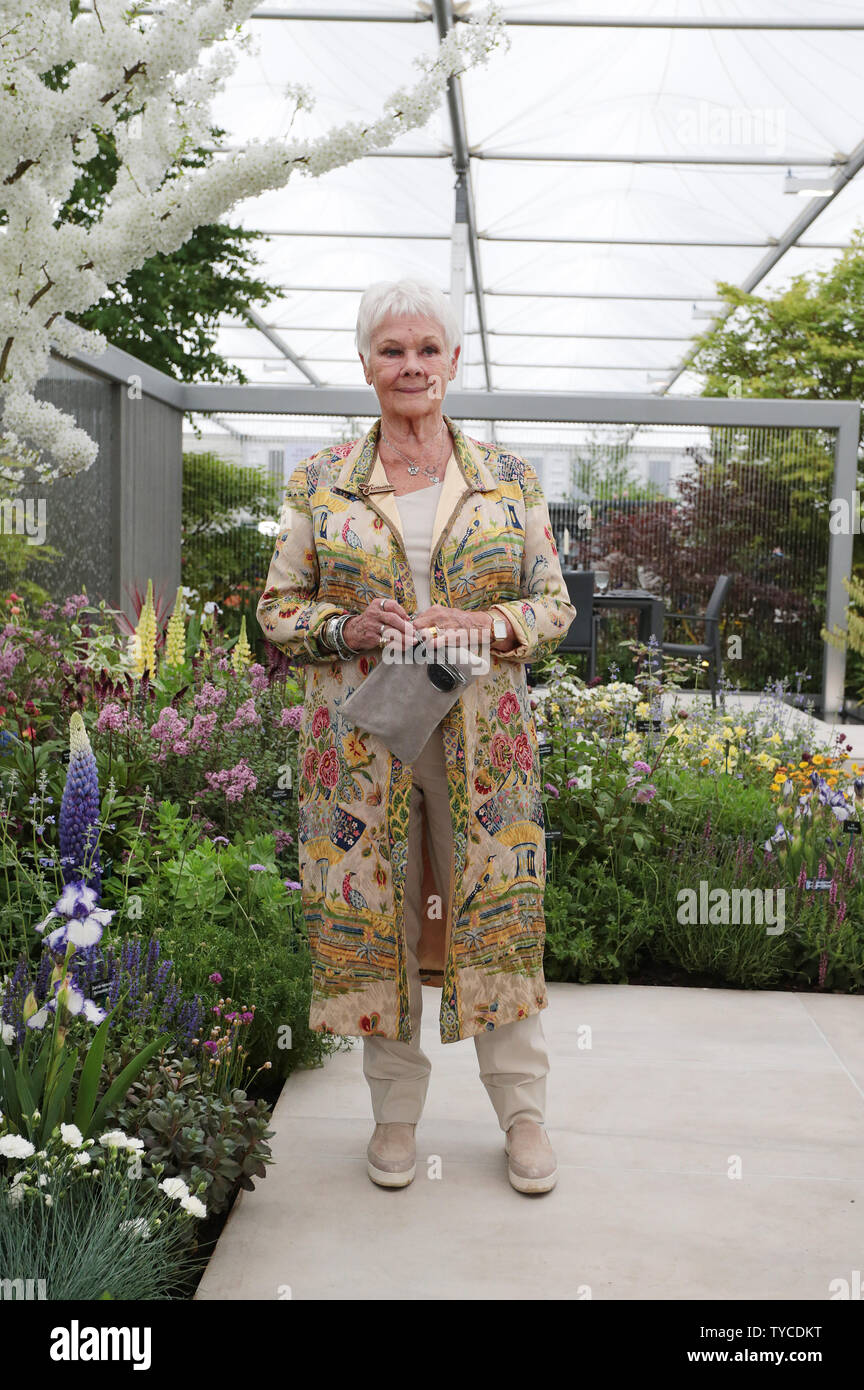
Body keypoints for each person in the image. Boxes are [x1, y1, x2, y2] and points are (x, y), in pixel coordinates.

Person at [256, 277, 575, 1194]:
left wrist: (481, 627)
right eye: (392, 351)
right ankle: (394, 1119)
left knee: (499, 915)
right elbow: (277, 609)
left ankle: (523, 1118)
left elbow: (553, 608)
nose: (410, 366)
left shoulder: (508, 478)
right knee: (376, 919)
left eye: (426, 349)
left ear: (453, 361)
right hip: (365, 746)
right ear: (365, 364)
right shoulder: (321, 480)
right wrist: (347, 627)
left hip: (485, 748)